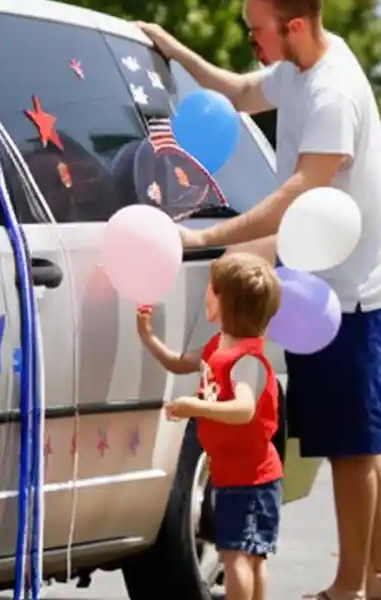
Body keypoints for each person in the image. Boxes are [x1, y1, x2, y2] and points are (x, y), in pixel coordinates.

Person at [136, 0, 381, 600]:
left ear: (294, 26)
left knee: (352, 445)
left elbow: (298, 192)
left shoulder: (331, 91)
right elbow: (237, 93)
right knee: (361, 440)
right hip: (330, 279)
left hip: (361, 289)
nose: (251, 41)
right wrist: (171, 47)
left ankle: (349, 587)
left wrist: (208, 238)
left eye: (255, 29)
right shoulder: (298, 69)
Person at [138, 253, 283, 600]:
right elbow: (177, 363)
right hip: (236, 476)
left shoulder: (247, 361)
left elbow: (243, 409)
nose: (206, 295)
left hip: (251, 481)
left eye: (211, 290)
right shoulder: (217, 347)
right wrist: (148, 338)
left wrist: (194, 406)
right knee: (250, 556)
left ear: (227, 304)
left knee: (237, 557)